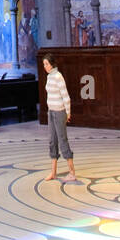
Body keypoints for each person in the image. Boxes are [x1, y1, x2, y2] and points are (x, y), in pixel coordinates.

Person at [42, 52, 77, 183]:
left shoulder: (58, 76)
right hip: (51, 112)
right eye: (44, 64)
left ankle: (72, 173)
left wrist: (68, 113)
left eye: (46, 64)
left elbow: (66, 96)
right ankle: (53, 172)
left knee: (62, 141)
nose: (45, 66)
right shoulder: (49, 77)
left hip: (60, 112)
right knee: (52, 141)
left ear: (52, 64)